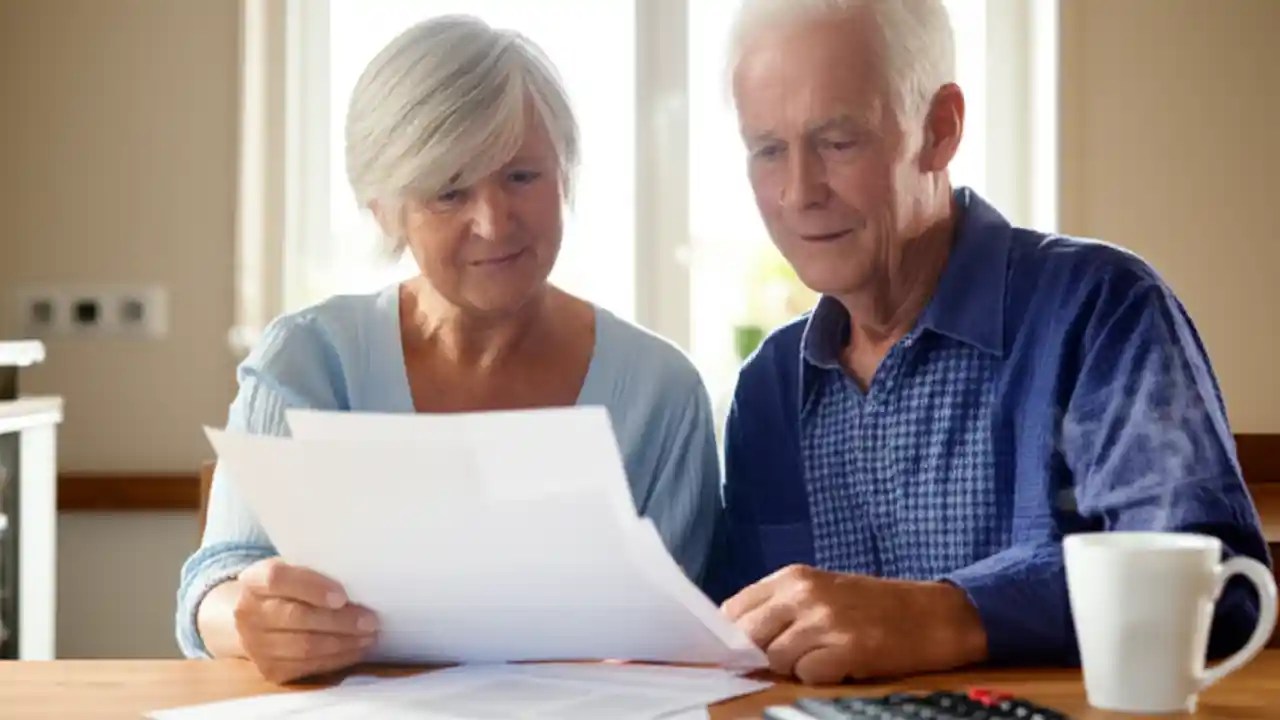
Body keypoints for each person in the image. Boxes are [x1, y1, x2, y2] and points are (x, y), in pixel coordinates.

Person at [709, 0, 1271, 684]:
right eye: (767, 149)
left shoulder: (1101, 308)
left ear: (940, 130)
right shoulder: (767, 389)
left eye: (837, 141)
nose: (798, 192)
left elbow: (1216, 587)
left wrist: (950, 614)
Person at [176, 16, 720, 684]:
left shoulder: (662, 392)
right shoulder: (308, 361)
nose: (493, 222)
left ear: (565, 174)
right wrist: (249, 619)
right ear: (384, 209)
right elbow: (215, 581)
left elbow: (682, 645)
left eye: (522, 176)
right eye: (449, 191)